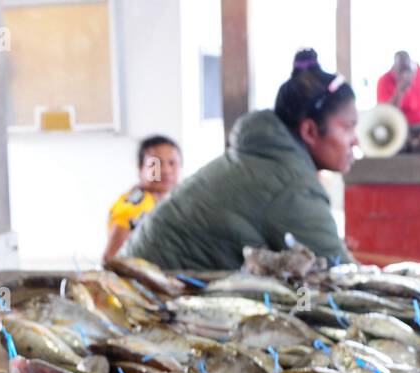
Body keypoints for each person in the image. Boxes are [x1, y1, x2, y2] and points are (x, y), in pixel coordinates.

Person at [124, 49, 356, 271]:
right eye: (348, 127)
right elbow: (344, 280)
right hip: (140, 295)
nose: (356, 141)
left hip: (138, 280)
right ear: (310, 131)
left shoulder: (266, 159)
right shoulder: (290, 183)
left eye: (172, 163)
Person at [102, 135, 182, 263]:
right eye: (156, 163)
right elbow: (111, 259)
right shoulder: (133, 206)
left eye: (172, 163)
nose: (166, 170)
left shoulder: (175, 201)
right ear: (141, 168)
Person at [376, 51, 420, 127]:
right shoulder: (384, 80)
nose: (404, 75)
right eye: (400, 71)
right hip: (398, 127)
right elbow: (385, 113)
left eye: (407, 70)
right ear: (394, 68)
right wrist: (399, 91)